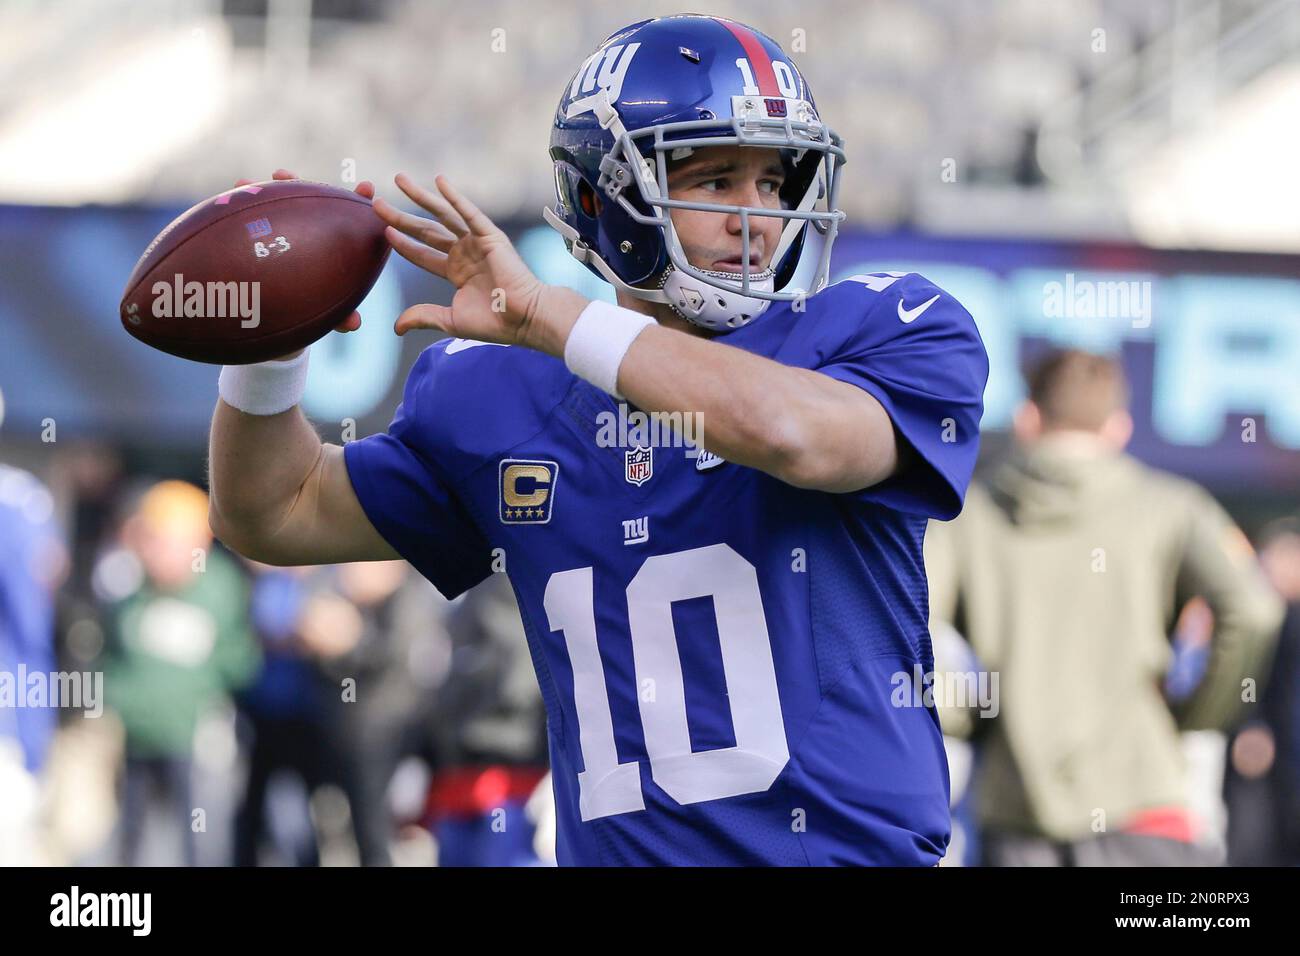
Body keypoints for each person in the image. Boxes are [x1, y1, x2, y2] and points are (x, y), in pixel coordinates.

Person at [208, 15, 989, 865]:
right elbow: (275, 514)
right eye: (717, 180)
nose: (756, 218)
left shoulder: (881, 330)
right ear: (600, 200)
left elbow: (790, 434)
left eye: (775, 182)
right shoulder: (503, 392)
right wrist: (266, 354)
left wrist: (547, 313)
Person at [925, 349, 1283, 866]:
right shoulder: (1170, 505)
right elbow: (1254, 607)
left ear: (1029, 419)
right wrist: (1196, 716)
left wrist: (963, 713)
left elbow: (906, 618)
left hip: (1016, 813)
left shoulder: (968, 514)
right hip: (1145, 808)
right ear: (1118, 427)